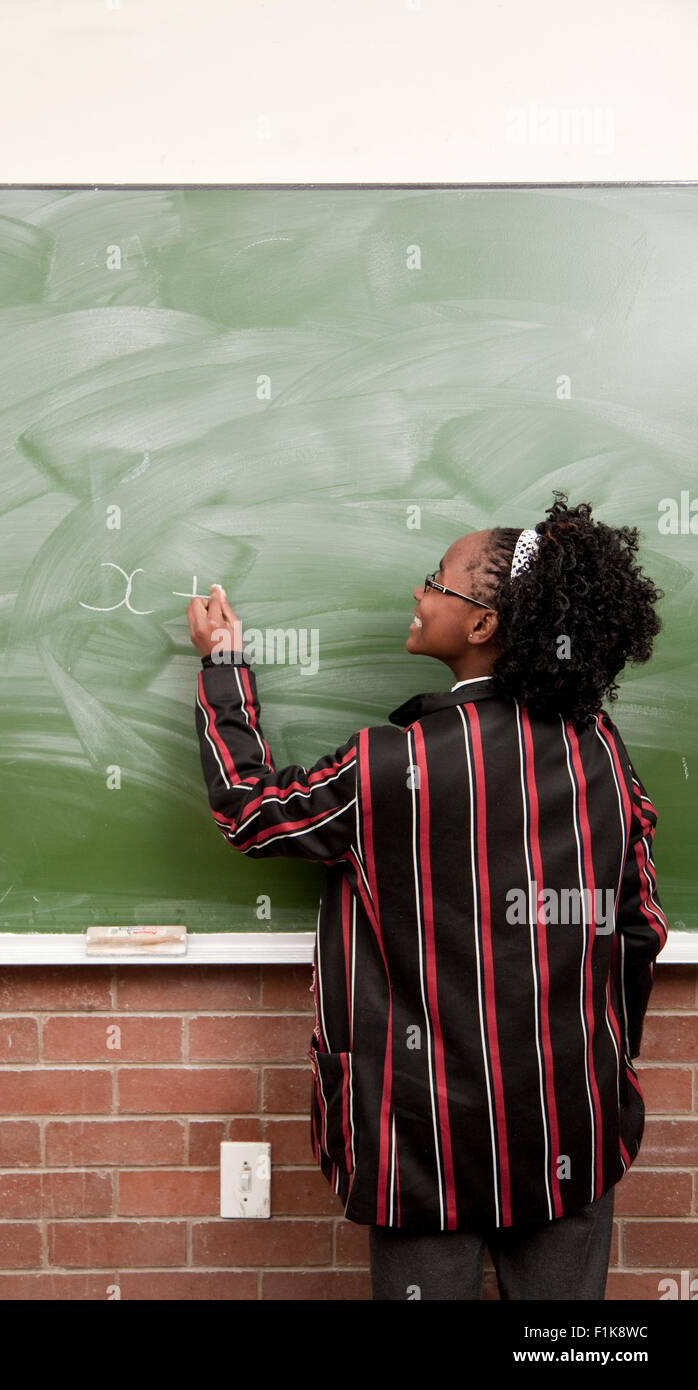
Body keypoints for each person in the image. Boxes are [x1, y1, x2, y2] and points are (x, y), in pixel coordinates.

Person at [186, 491, 668, 1300]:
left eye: (435, 579)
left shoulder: (388, 766)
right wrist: (604, 1059)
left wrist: (223, 668)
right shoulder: (598, 752)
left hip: (425, 1144)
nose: (418, 592)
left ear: (482, 625)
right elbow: (638, 924)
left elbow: (253, 809)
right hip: (568, 1122)